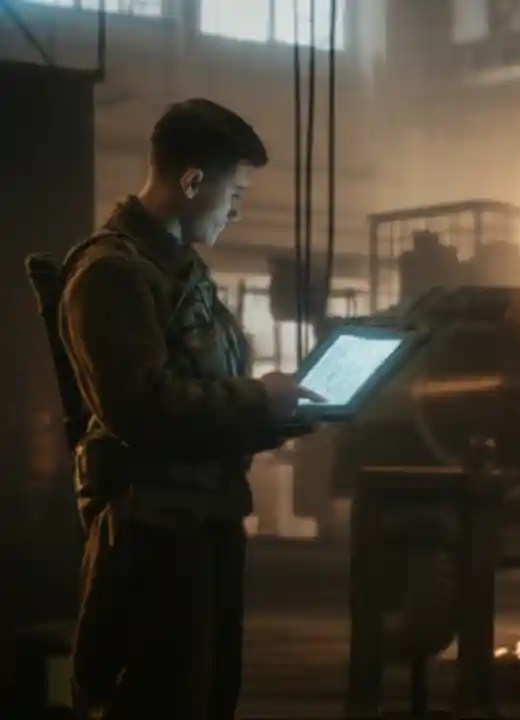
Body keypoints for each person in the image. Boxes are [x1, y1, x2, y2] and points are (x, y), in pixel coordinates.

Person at [61, 98, 319, 719]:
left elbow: (200, 404)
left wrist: (277, 414)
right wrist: (261, 399)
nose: (237, 209)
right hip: (151, 537)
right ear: (193, 180)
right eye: (235, 193)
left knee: (206, 698)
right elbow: (144, 409)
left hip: (203, 525)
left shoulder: (182, 276)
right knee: (158, 700)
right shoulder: (111, 275)